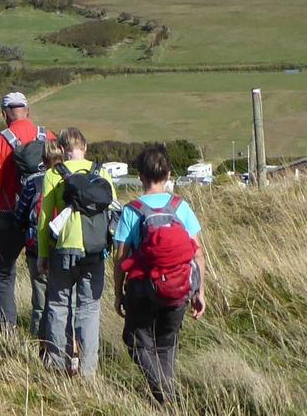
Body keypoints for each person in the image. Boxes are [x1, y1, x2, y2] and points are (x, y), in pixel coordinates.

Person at [114, 145, 207, 406]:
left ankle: (164, 396)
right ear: (168, 175)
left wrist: (118, 294)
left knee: (135, 339)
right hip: (179, 289)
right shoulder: (181, 207)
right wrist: (200, 292)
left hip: (143, 289)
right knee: (166, 345)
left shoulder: (132, 210)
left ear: (141, 176)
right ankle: (168, 398)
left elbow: (121, 259)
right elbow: (197, 255)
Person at [36, 127, 116, 377]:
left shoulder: (53, 174)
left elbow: (44, 218)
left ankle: (58, 365)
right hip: (95, 250)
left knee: (59, 306)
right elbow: (113, 210)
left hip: (63, 248)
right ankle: (88, 371)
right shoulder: (101, 172)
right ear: (86, 147)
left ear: (61, 149)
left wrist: (42, 254)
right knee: (89, 309)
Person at [0, 91, 55, 331]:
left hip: (11, 216)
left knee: (4, 274)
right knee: (43, 277)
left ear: (4, 114)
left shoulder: (1, 140)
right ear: (28, 111)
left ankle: (6, 331)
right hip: (43, 217)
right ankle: (45, 332)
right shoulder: (48, 137)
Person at [15, 139, 64, 337]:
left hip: (36, 249)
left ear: (43, 159)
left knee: (40, 301)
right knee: (63, 301)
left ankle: (40, 344)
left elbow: (20, 216)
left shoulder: (33, 182)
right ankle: (63, 342)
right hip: (65, 248)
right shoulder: (70, 179)